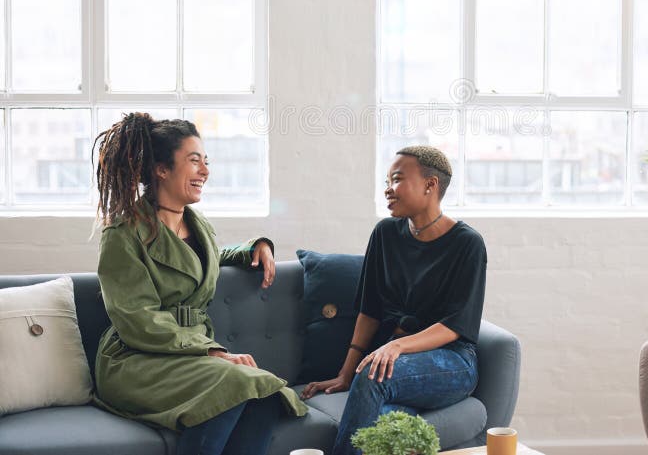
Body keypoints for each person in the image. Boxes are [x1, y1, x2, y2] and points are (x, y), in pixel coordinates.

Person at [92, 112, 307, 455]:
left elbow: (200, 261)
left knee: (265, 392)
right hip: (136, 360)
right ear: (161, 169)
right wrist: (213, 351)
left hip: (187, 355)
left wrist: (252, 248)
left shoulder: (199, 227)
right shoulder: (124, 234)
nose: (205, 171)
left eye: (205, 162)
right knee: (236, 382)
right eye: (194, 161)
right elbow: (137, 319)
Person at [300, 145, 487, 455]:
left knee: (374, 372)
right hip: (399, 361)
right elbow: (369, 310)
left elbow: (455, 325)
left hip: (452, 361)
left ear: (431, 185)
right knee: (385, 426)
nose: (388, 190)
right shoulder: (385, 233)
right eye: (387, 181)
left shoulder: (467, 243)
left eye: (397, 179)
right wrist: (345, 374)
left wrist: (396, 346)